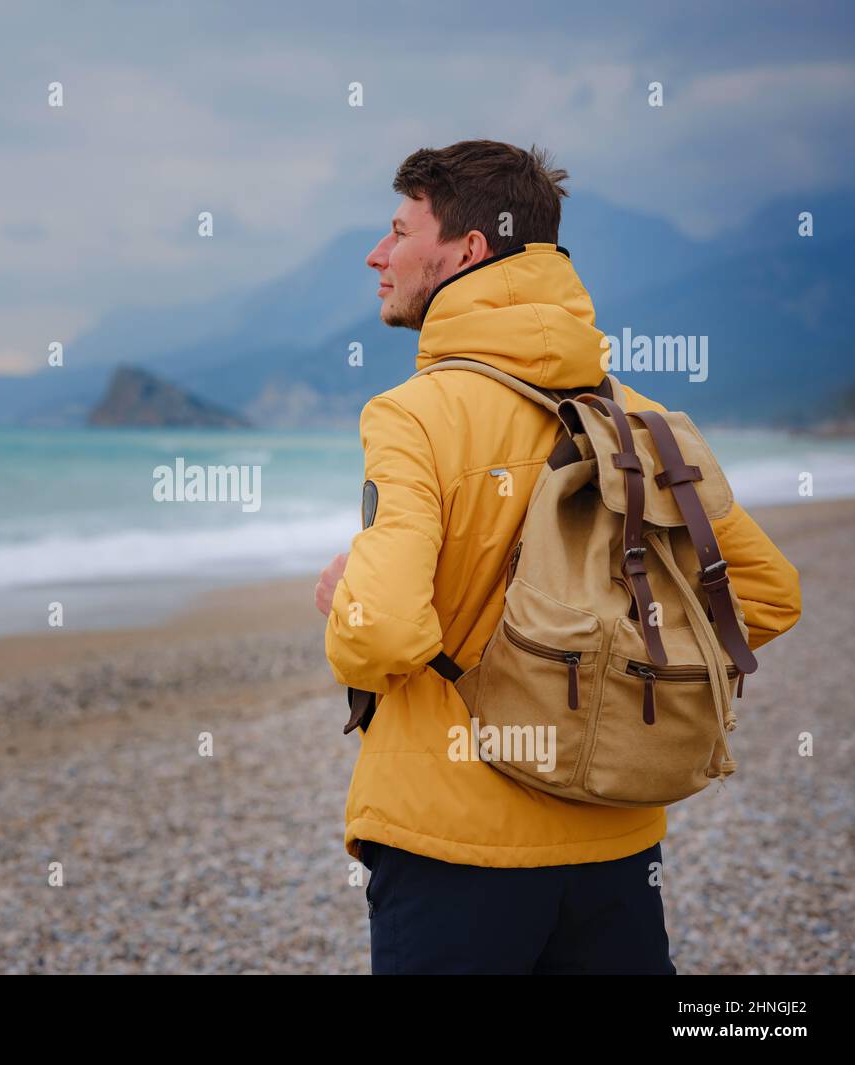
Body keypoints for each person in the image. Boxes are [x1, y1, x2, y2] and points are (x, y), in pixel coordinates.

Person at [314, 140, 803, 975]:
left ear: (468, 250)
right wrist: (611, 668)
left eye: (398, 230)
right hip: (618, 843)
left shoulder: (414, 415)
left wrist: (345, 598)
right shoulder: (642, 418)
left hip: (453, 842)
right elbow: (764, 594)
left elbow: (386, 632)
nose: (377, 253)